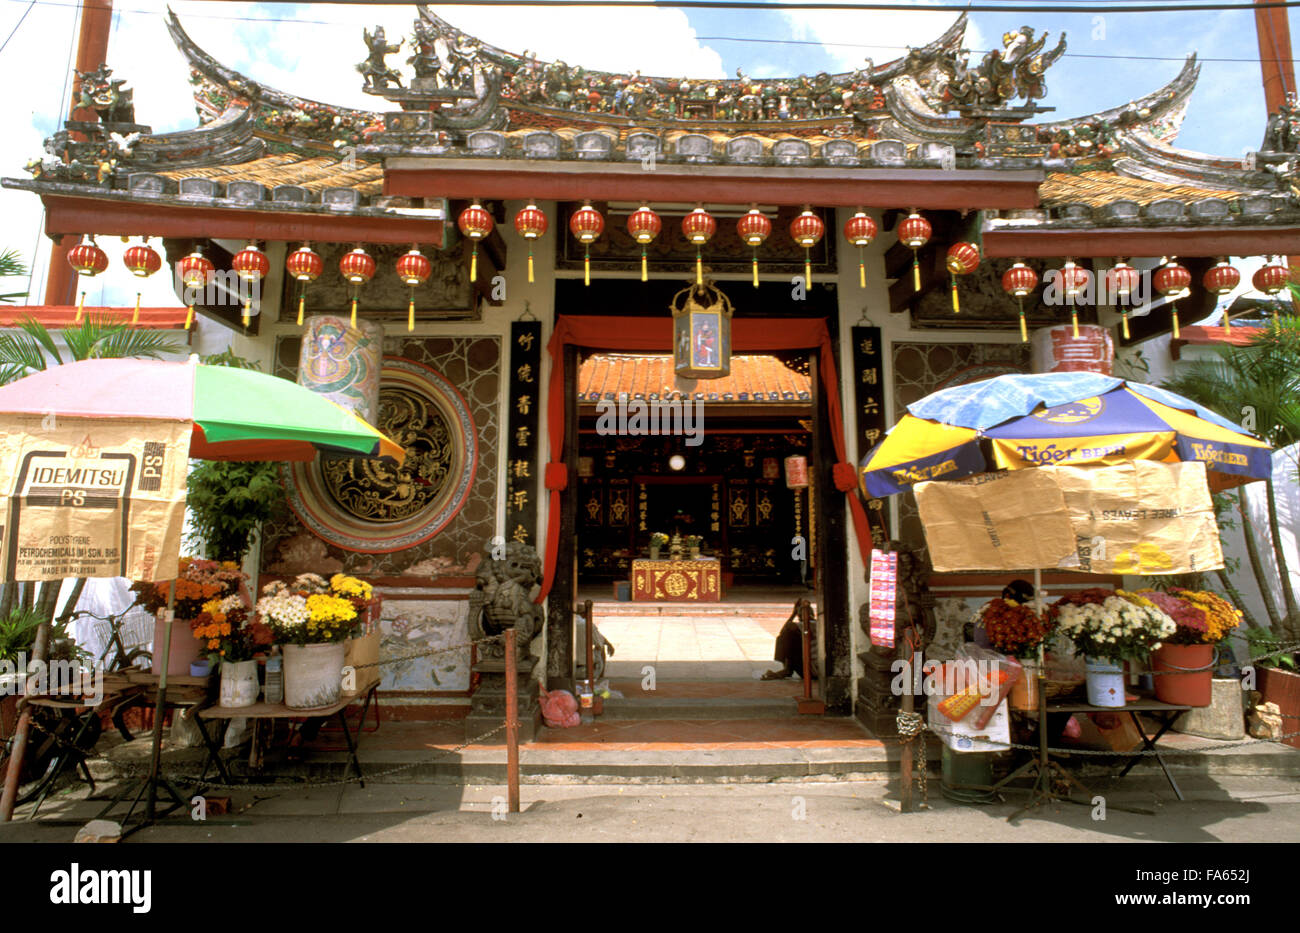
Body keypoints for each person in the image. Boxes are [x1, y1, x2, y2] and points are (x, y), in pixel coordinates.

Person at [761, 606, 817, 680]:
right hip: (810, 670)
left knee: (787, 635)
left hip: (811, 671)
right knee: (784, 636)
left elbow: (786, 629)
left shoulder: (811, 624)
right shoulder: (811, 625)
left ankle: (787, 670)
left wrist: (793, 614)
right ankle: (787, 669)